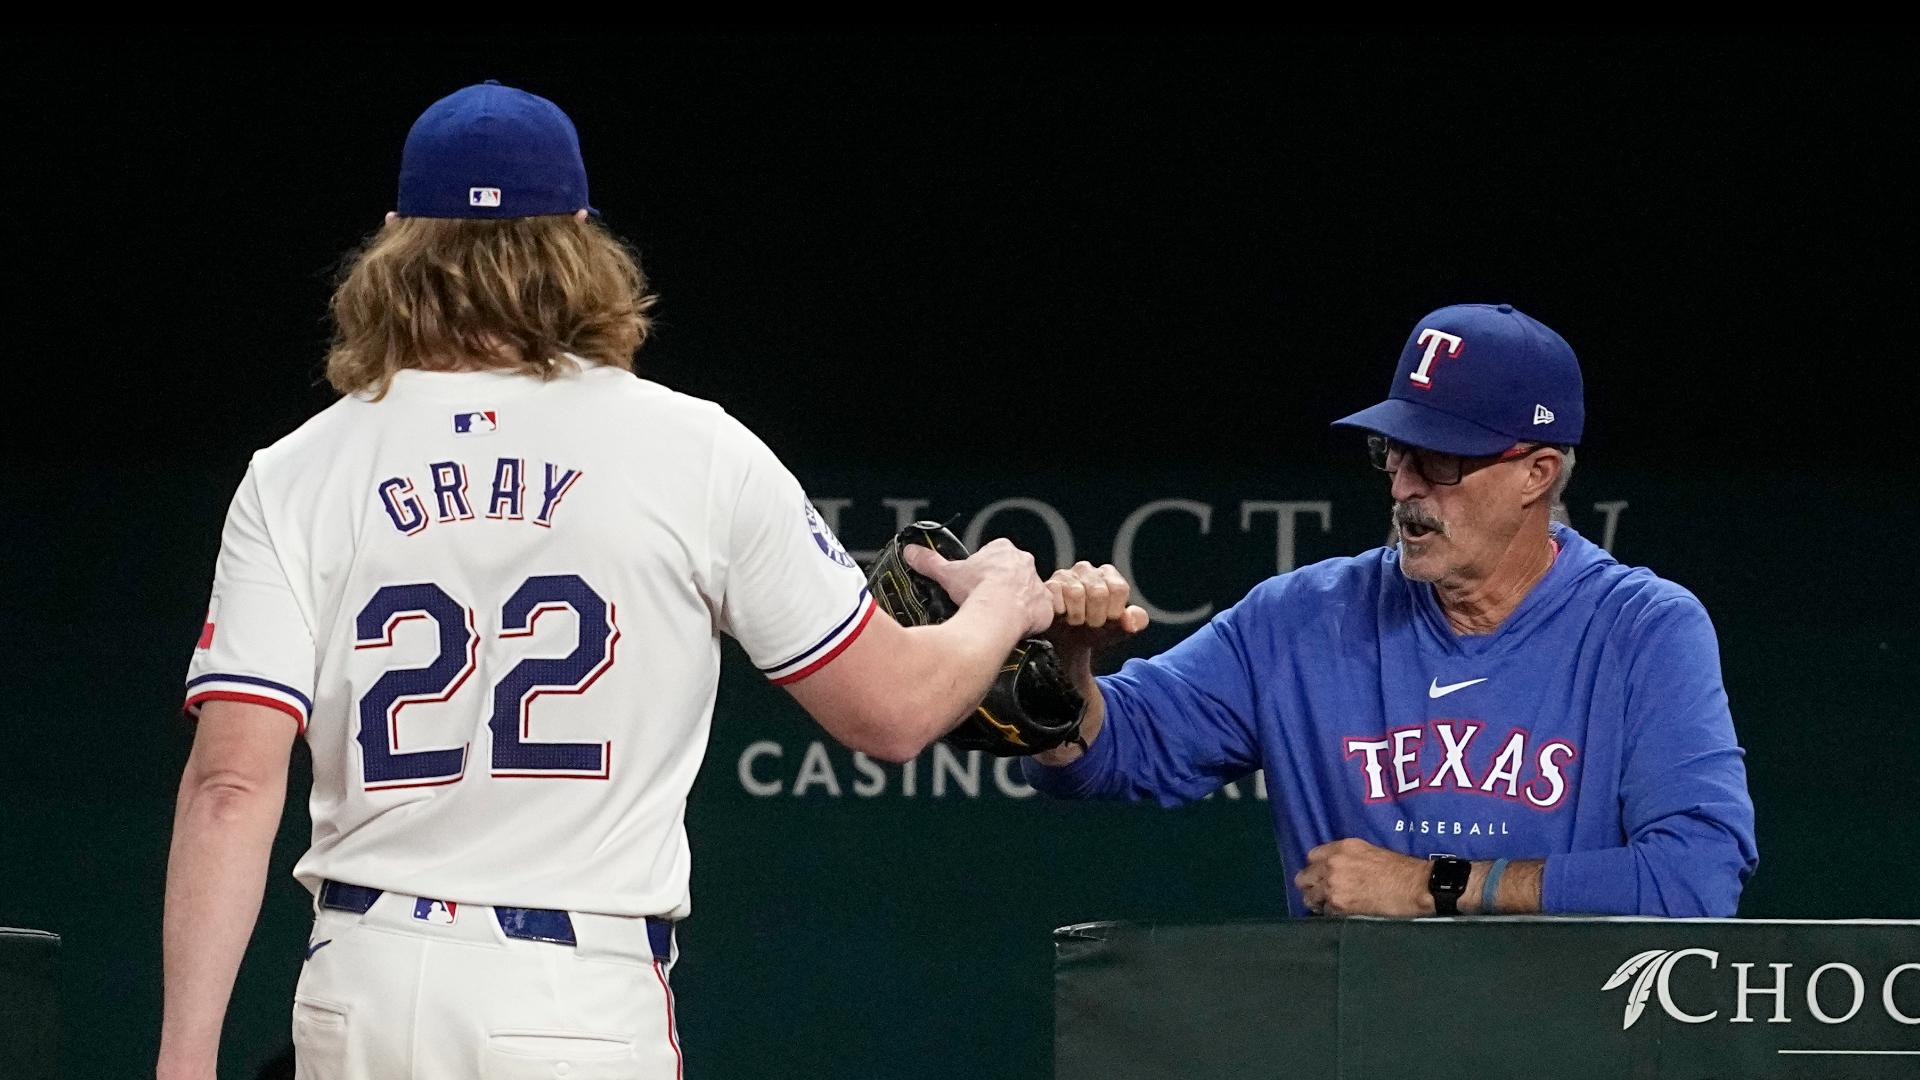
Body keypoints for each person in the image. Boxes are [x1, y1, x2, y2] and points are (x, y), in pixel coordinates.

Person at [157, 81, 1052, 1080]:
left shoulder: (299, 470)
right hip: (572, 997)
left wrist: (185, 1060)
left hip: (359, 981)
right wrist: (1005, 602)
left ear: (394, 239)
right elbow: (891, 710)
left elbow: (232, 785)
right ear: (582, 239)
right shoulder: (692, 449)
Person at [1024, 303, 1758, 919]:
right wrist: (1068, 667)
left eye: (1440, 460)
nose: (1405, 487)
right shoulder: (1302, 618)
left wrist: (1429, 884)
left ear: (1536, 473)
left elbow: (1696, 877)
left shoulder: (1643, 629)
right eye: (1394, 453)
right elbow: (1100, 760)